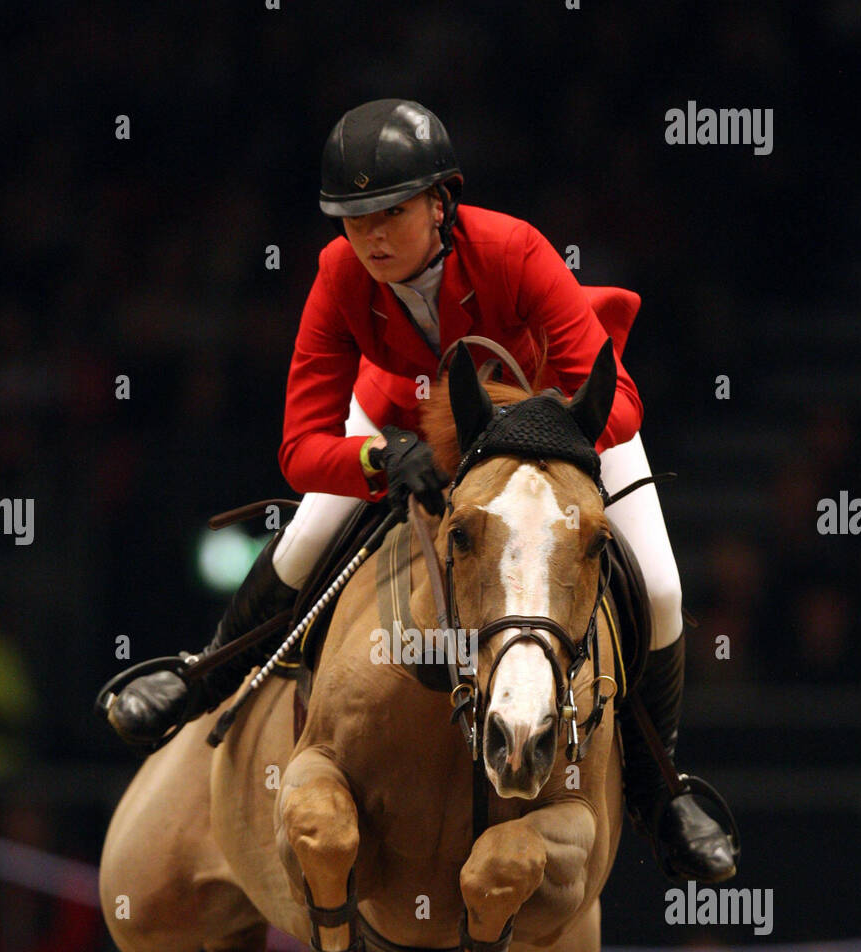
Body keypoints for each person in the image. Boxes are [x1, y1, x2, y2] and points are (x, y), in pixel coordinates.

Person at [104, 99, 735, 883]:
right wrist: (380, 460)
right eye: (353, 218)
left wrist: (518, 433)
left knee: (664, 589)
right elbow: (301, 449)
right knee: (305, 539)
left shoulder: (513, 248)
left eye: (391, 212)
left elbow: (621, 404)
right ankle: (203, 676)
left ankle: (658, 792)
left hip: (557, 415)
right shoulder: (339, 274)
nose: (371, 236)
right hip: (405, 418)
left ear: (441, 203)